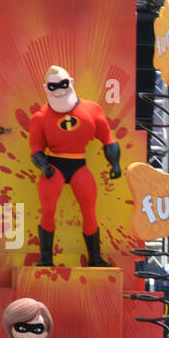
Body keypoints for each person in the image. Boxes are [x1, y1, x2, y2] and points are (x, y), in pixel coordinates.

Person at [30, 64, 120, 267]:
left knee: (89, 208)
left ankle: (95, 257)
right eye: (54, 87)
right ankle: (46, 257)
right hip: (55, 164)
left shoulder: (91, 109)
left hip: (79, 164)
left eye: (63, 84)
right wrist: (44, 166)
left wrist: (115, 164)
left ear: (71, 83)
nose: (60, 90)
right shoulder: (41, 117)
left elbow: (108, 139)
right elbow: (35, 150)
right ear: (47, 88)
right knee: (48, 209)